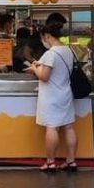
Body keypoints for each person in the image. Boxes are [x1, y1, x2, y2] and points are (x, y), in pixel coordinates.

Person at [28, 17, 78, 173]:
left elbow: (44, 76)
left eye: (43, 38)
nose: (44, 41)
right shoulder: (68, 50)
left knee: (52, 127)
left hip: (51, 96)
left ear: (47, 36)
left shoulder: (51, 54)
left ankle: (50, 162)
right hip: (65, 93)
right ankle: (71, 161)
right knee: (69, 127)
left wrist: (34, 68)